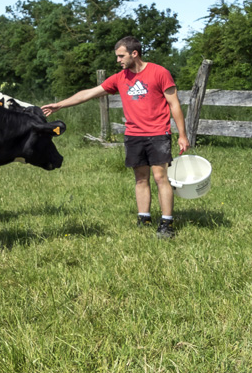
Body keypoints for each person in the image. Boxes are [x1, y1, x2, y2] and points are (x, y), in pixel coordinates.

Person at [42, 36, 190, 239]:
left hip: (158, 133)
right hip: (133, 135)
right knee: (140, 179)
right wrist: (60, 104)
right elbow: (89, 93)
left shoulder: (160, 72)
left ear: (134, 53)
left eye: (121, 56)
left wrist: (182, 134)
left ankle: (166, 223)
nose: (118, 60)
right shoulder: (120, 78)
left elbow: (174, 104)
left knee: (160, 178)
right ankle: (144, 218)